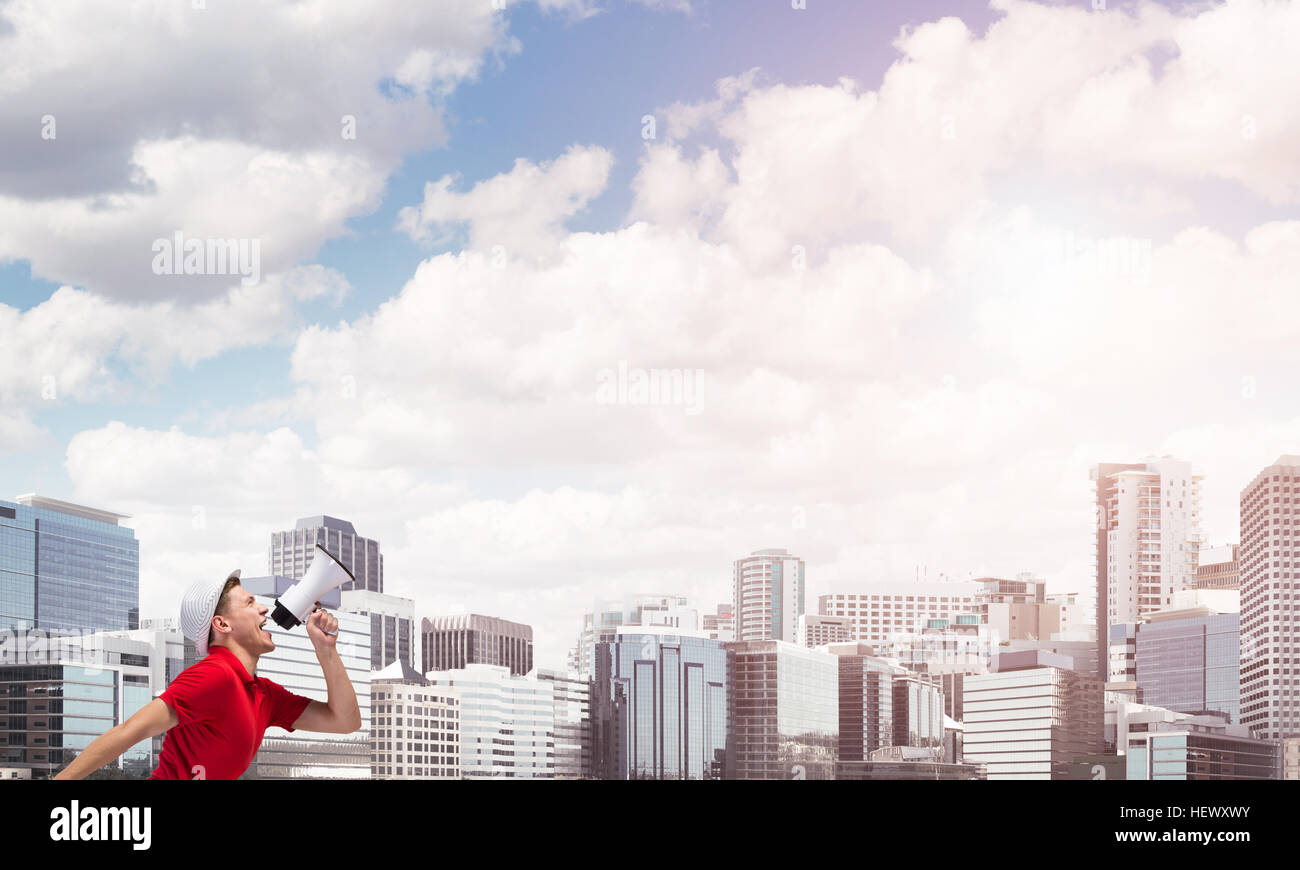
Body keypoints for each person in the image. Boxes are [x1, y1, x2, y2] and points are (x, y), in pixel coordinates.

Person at [55, 569, 361, 780]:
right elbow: (129, 732)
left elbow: (345, 721)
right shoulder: (214, 675)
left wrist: (326, 651)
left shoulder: (264, 694)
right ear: (223, 624)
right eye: (250, 602)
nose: (265, 609)